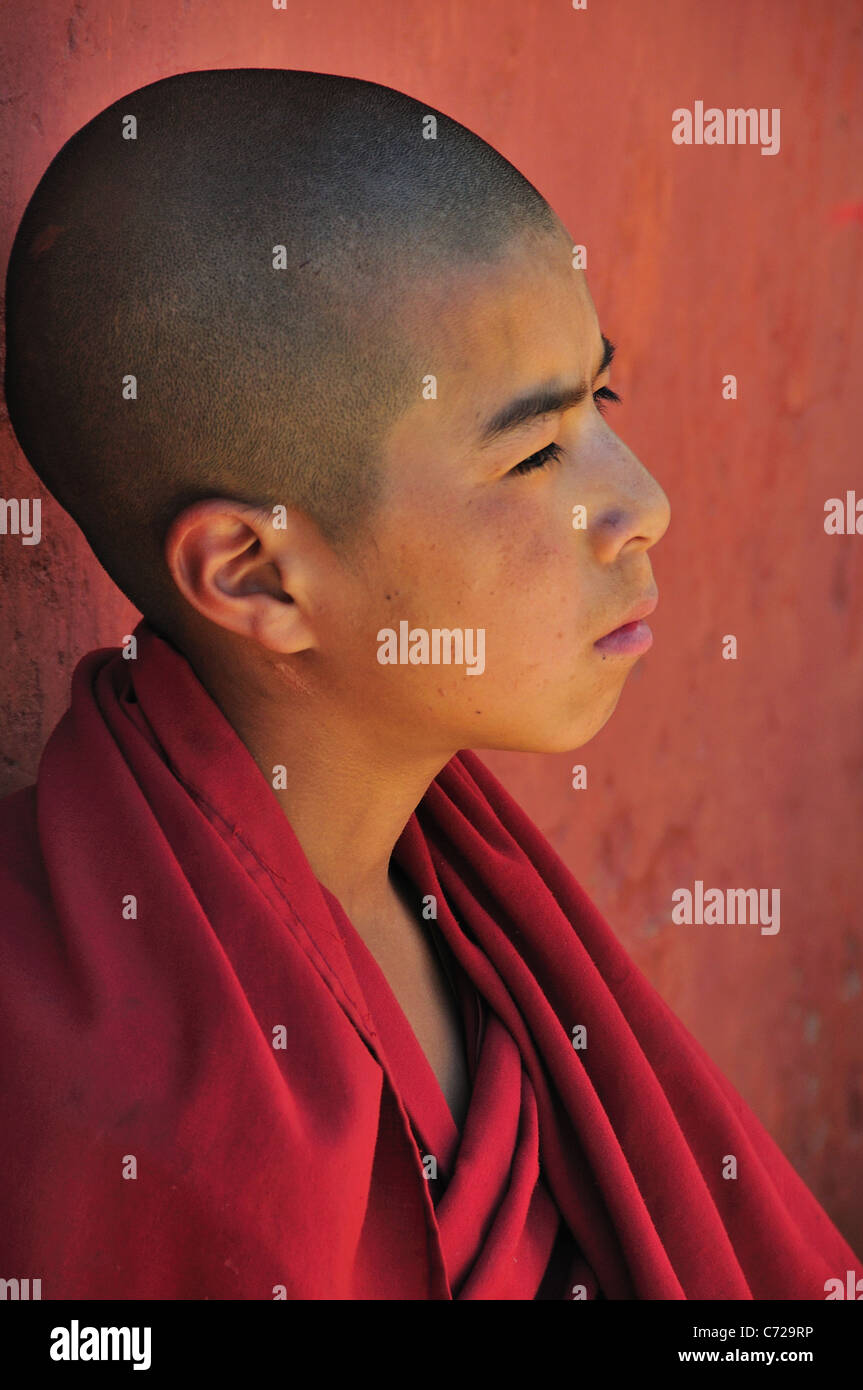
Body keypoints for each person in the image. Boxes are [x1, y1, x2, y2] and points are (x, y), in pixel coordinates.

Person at [0, 67, 857, 1300]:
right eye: (535, 451)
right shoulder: (78, 1070)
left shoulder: (456, 899)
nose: (643, 504)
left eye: (600, 396)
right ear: (257, 574)